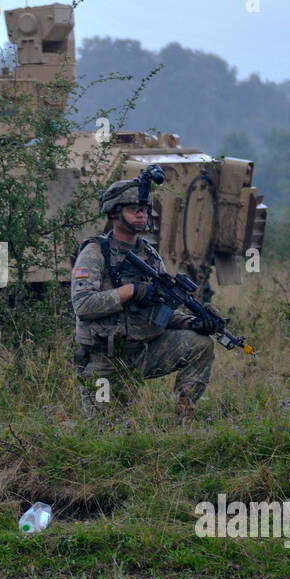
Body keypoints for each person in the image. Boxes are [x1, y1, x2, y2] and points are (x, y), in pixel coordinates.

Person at [71, 179, 217, 418]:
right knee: (102, 429)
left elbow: (162, 310)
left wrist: (191, 323)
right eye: (134, 209)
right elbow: (83, 304)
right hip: (105, 360)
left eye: (145, 209)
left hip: (144, 352)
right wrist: (131, 291)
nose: (142, 214)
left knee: (201, 343)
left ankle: (183, 415)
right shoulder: (96, 252)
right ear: (115, 213)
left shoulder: (150, 256)